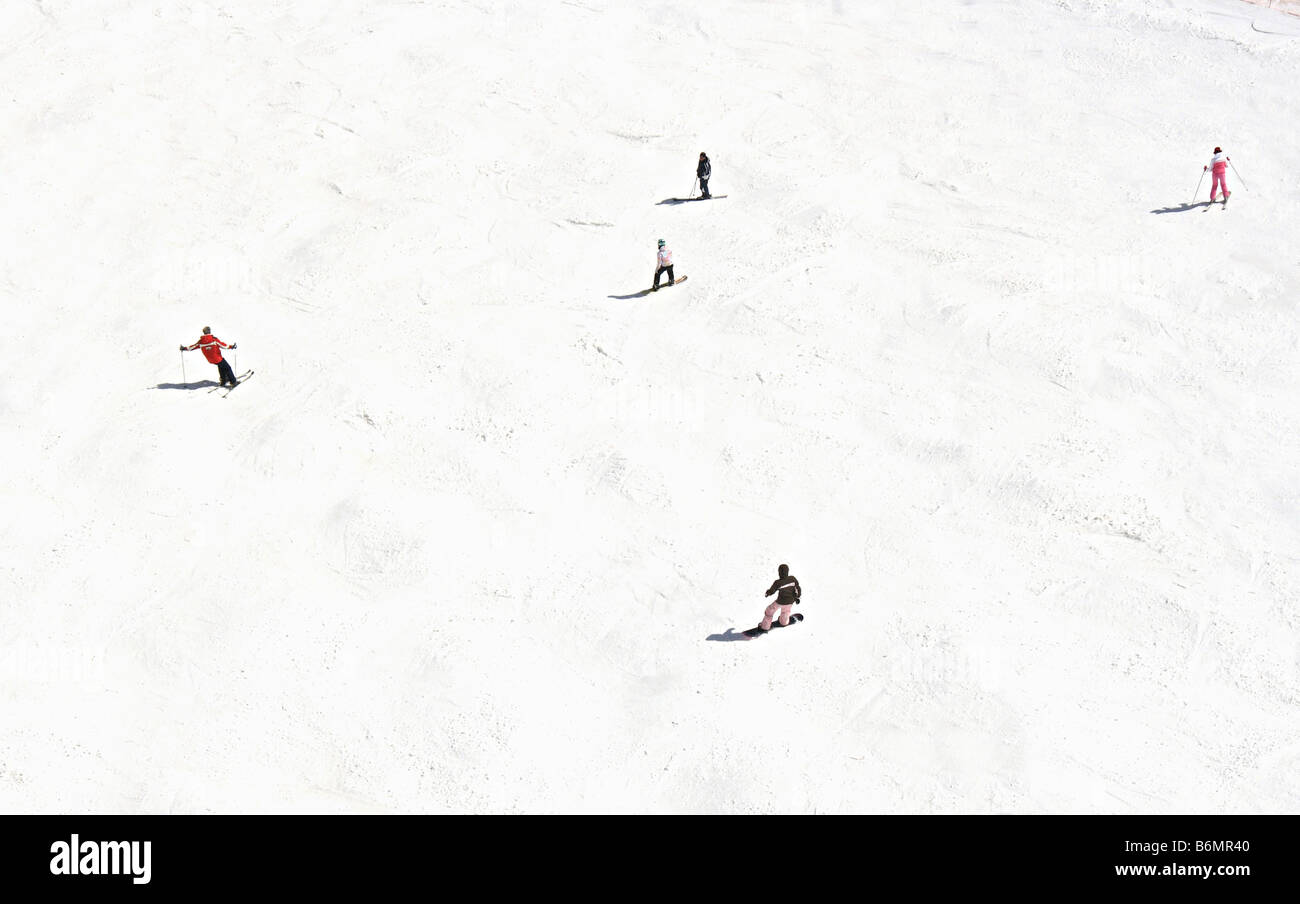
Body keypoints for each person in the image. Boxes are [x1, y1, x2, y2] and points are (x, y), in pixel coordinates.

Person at [759, 564, 801, 631]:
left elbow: (772, 591)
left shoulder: (778, 582)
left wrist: (768, 593)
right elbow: (798, 588)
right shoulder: (792, 579)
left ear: (779, 572)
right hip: (790, 601)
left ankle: (765, 627)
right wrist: (797, 597)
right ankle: (784, 622)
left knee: (769, 611)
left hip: (781, 601)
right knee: (786, 611)